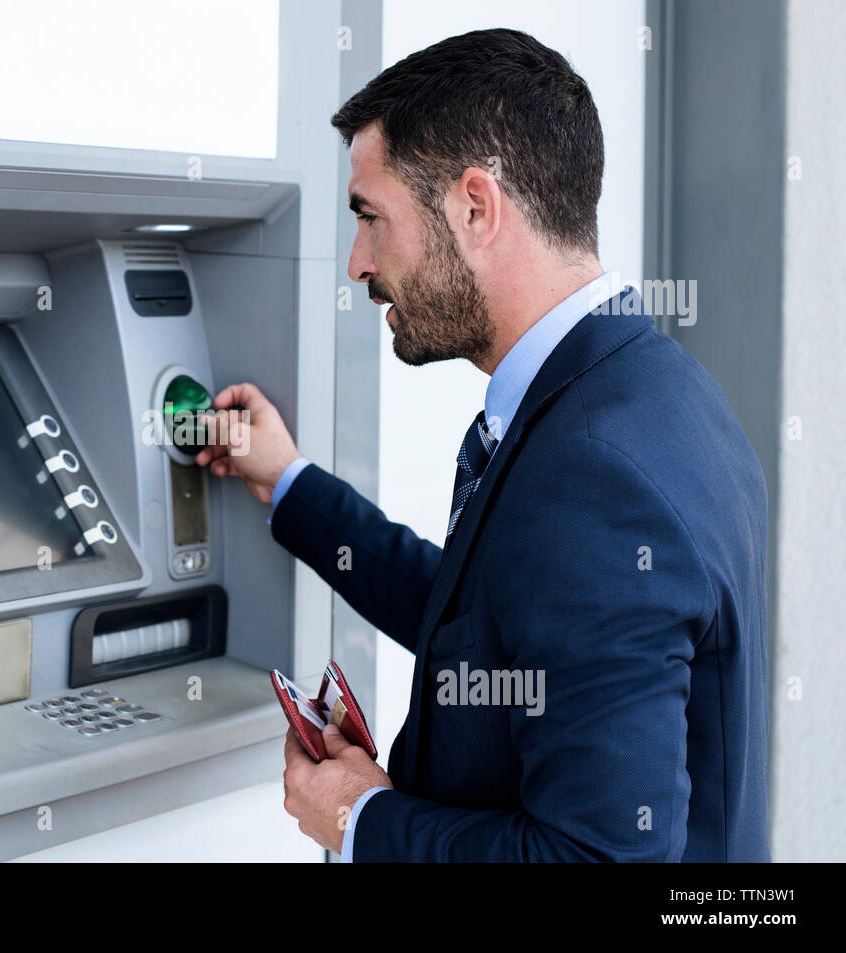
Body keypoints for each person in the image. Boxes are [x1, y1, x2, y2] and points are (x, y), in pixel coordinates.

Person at [194, 28, 770, 862]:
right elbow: (488, 616)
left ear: (475, 206)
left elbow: (600, 857)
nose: (358, 264)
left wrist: (361, 821)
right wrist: (289, 483)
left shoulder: (596, 472)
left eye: (370, 217)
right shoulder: (650, 390)